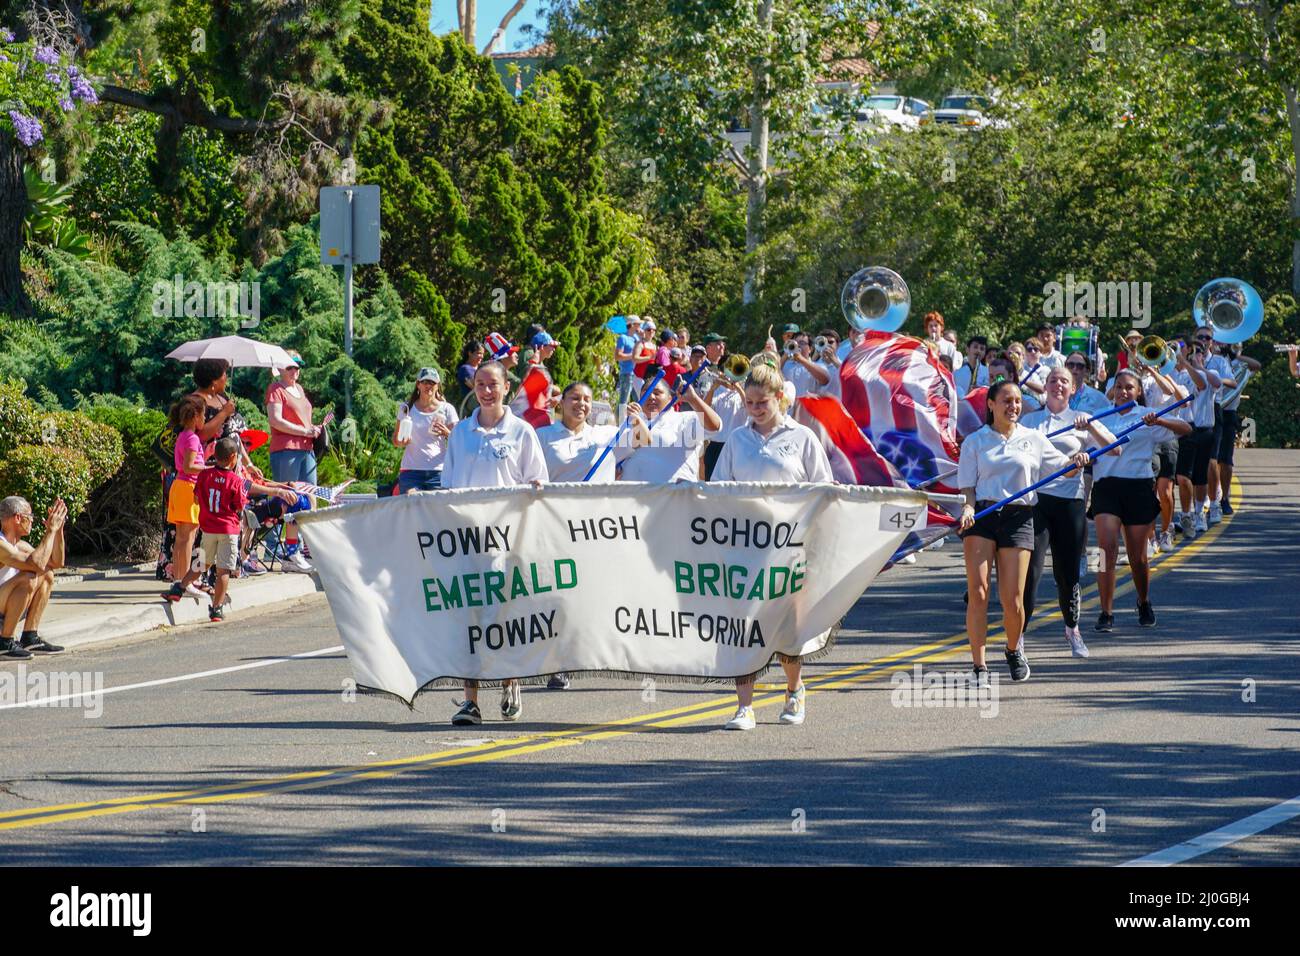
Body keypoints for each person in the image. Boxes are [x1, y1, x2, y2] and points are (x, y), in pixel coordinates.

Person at [711, 363, 833, 730]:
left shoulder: (803, 438)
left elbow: (825, 490)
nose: (754, 408)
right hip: (744, 544)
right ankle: (744, 706)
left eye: (761, 401)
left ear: (779, 398)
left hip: (790, 545)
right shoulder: (736, 439)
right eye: (748, 402)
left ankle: (794, 690)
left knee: (786, 625)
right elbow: (718, 489)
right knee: (742, 625)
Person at [957, 379, 1089, 685]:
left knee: (1013, 600)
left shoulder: (1034, 438)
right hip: (983, 516)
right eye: (1006, 400)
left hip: (1020, 516)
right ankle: (979, 666)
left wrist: (1078, 461)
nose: (1013, 406)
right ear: (990, 404)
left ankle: (1014, 649)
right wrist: (967, 508)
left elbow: (1063, 469)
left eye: (1017, 401)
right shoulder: (975, 441)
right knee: (978, 593)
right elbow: (967, 487)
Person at [442, 361, 548, 726]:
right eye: (481, 384)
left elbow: (539, 485)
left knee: (505, 615)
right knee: (468, 617)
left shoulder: (521, 432)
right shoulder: (461, 433)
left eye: (494, 385)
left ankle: (510, 682)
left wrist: (532, 493)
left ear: (506, 388)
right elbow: (448, 489)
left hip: (507, 541)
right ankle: (470, 700)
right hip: (468, 541)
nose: (487, 391)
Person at [1021, 367, 1118, 658]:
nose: (1058, 385)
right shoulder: (1030, 420)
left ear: (1073, 388)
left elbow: (1114, 449)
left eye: (1064, 381)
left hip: (1069, 504)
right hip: (1035, 502)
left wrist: (1090, 428)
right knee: (1031, 573)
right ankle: (1019, 636)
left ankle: (1072, 628)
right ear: (1045, 386)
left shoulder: (1079, 421)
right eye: (1053, 380)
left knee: (1067, 575)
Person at [1089, 369, 1192, 631]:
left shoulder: (1145, 417)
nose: (1124, 392)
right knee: (1105, 550)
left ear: (1138, 392)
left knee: (1138, 557)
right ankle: (1106, 612)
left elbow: (1186, 428)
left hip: (1138, 487)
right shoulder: (1100, 418)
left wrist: (1160, 421)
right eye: (1119, 387)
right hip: (1107, 488)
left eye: (1129, 388)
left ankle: (1143, 601)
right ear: (1112, 390)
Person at [167, 438, 247, 622]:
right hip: (228, 530)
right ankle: (217, 609)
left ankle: (180, 587)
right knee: (223, 570)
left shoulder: (205, 475)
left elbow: (196, 499)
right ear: (233, 457)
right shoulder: (235, 480)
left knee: (202, 563)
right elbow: (239, 505)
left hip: (208, 528)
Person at [618, 375, 722, 483]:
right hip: (631, 494)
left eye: (657, 393)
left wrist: (694, 399)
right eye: (646, 392)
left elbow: (714, 427)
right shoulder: (629, 422)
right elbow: (618, 456)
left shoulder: (685, 419)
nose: (651, 397)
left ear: (670, 398)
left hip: (673, 496)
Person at [0, 495, 67, 657]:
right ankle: (4, 643)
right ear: (17, 518)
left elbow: (56, 562)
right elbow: (35, 564)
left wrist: (58, 530)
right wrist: (50, 530)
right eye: (30, 517)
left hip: (4, 607)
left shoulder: (20, 545)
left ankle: (30, 638)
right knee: (29, 576)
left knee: (47, 574)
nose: (32, 521)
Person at [1172, 335, 1221, 538]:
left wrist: (1194, 364)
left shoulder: (1209, 372)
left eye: (1199, 351)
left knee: (1200, 477)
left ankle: (1199, 512)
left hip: (1203, 430)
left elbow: (1211, 383)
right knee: (1182, 477)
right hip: (1181, 430)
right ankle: (1186, 514)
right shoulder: (1173, 374)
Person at [163, 395, 211, 601]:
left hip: (180, 487)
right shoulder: (192, 437)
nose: (205, 420)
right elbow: (189, 466)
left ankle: (179, 581)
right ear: (195, 416)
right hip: (188, 488)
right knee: (188, 538)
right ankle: (185, 582)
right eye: (204, 415)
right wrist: (210, 468)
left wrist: (204, 457)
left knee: (182, 539)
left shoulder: (184, 435)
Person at [1208, 340, 1257, 522]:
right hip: (1211, 411)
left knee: (1226, 460)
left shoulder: (1239, 364)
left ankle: (1225, 498)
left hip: (1228, 414)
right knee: (1210, 459)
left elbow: (1256, 365)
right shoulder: (1211, 361)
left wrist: (1235, 355)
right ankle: (1211, 499)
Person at [393, 367, 458, 494]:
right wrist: (401, 442)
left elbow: (459, 442)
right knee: (411, 508)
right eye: (425, 382)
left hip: (439, 471)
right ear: (418, 384)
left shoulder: (447, 409)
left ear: (437, 385)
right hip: (411, 470)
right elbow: (395, 440)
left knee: (437, 511)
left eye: (432, 383)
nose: (429, 386)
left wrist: (447, 433)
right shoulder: (406, 408)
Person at [265, 350, 320, 486]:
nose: (295, 369)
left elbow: (302, 419)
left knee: (311, 494)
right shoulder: (276, 389)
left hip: (307, 449)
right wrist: (305, 431)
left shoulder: (300, 389)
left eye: (298, 365)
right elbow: (275, 421)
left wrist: (313, 428)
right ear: (280, 368)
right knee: (289, 496)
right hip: (286, 450)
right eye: (290, 366)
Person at [781, 331, 830, 398]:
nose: (798, 346)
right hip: (790, 408)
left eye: (801, 343)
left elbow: (825, 379)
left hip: (809, 407)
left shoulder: (818, 365)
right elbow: (771, 375)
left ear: (810, 349)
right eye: (795, 343)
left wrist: (801, 359)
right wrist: (785, 355)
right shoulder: (785, 365)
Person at [614, 316, 642, 411]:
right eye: (638, 324)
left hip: (636, 375)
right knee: (624, 400)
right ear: (633, 325)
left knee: (639, 400)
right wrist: (633, 355)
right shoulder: (623, 338)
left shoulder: (635, 338)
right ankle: (620, 422)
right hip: (627, 373)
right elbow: (617, 356)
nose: (640, 326)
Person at [455, 340, 485, 413]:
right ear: (470, 353)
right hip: (472, 407)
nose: (481, 356)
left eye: (482, 354)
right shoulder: (465, 369)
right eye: (479, 353)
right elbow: (476, 386)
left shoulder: (481, 368)